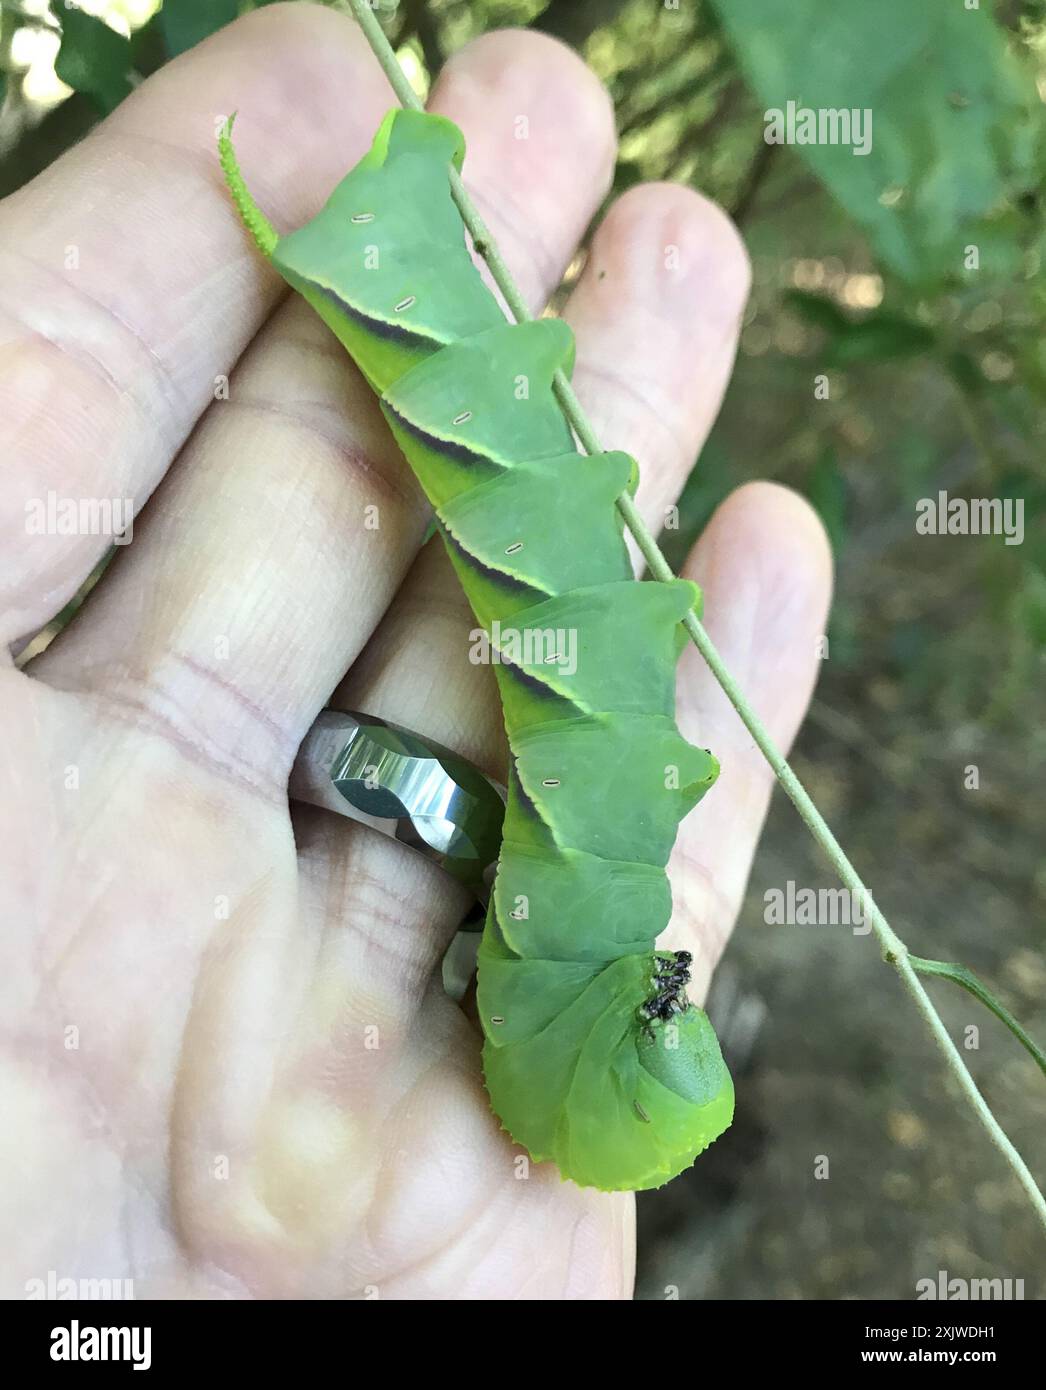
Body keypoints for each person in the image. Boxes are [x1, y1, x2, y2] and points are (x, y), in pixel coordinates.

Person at [0, 3, 830, 1298]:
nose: (679, 988)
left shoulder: (600, 878)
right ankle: (396, 246)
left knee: (524, 496)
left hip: (472, 416)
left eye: (661, 1016)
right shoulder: (562, 915)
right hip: (484, 477)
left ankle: (397, 249)